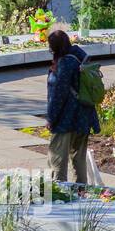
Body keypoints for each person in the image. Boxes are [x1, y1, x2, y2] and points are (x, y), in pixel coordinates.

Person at [45, 30, 100, 183]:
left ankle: (58, 194)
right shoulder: (81, 58)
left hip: (66, 120)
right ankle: (81, 193)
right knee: (78, 159)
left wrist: (51, 118)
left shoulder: (65, 64)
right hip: (84, 116)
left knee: (57, 160)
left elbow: (58, 95)